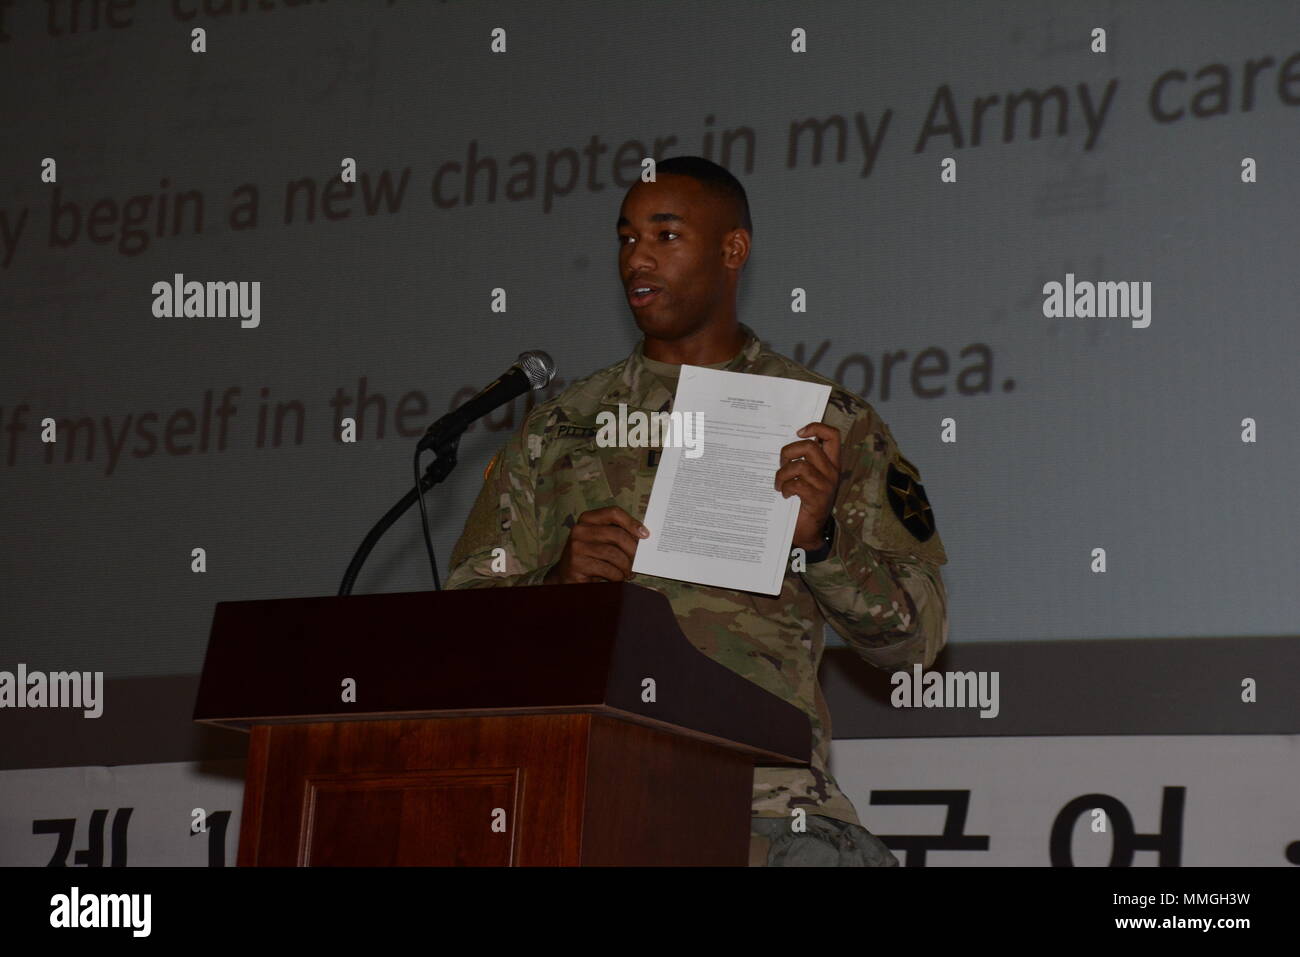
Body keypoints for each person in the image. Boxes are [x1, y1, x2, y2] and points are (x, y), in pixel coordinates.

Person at [445, 156, 949, 867]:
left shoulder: (826, 422)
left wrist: (824, 542)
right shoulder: (559, 428)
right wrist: (554, 587)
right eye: (625, 238)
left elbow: (917, 640)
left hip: (764, 810)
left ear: (732, 250)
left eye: (666, 234)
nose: (636, 258)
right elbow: (458, 633)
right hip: (586, 803)